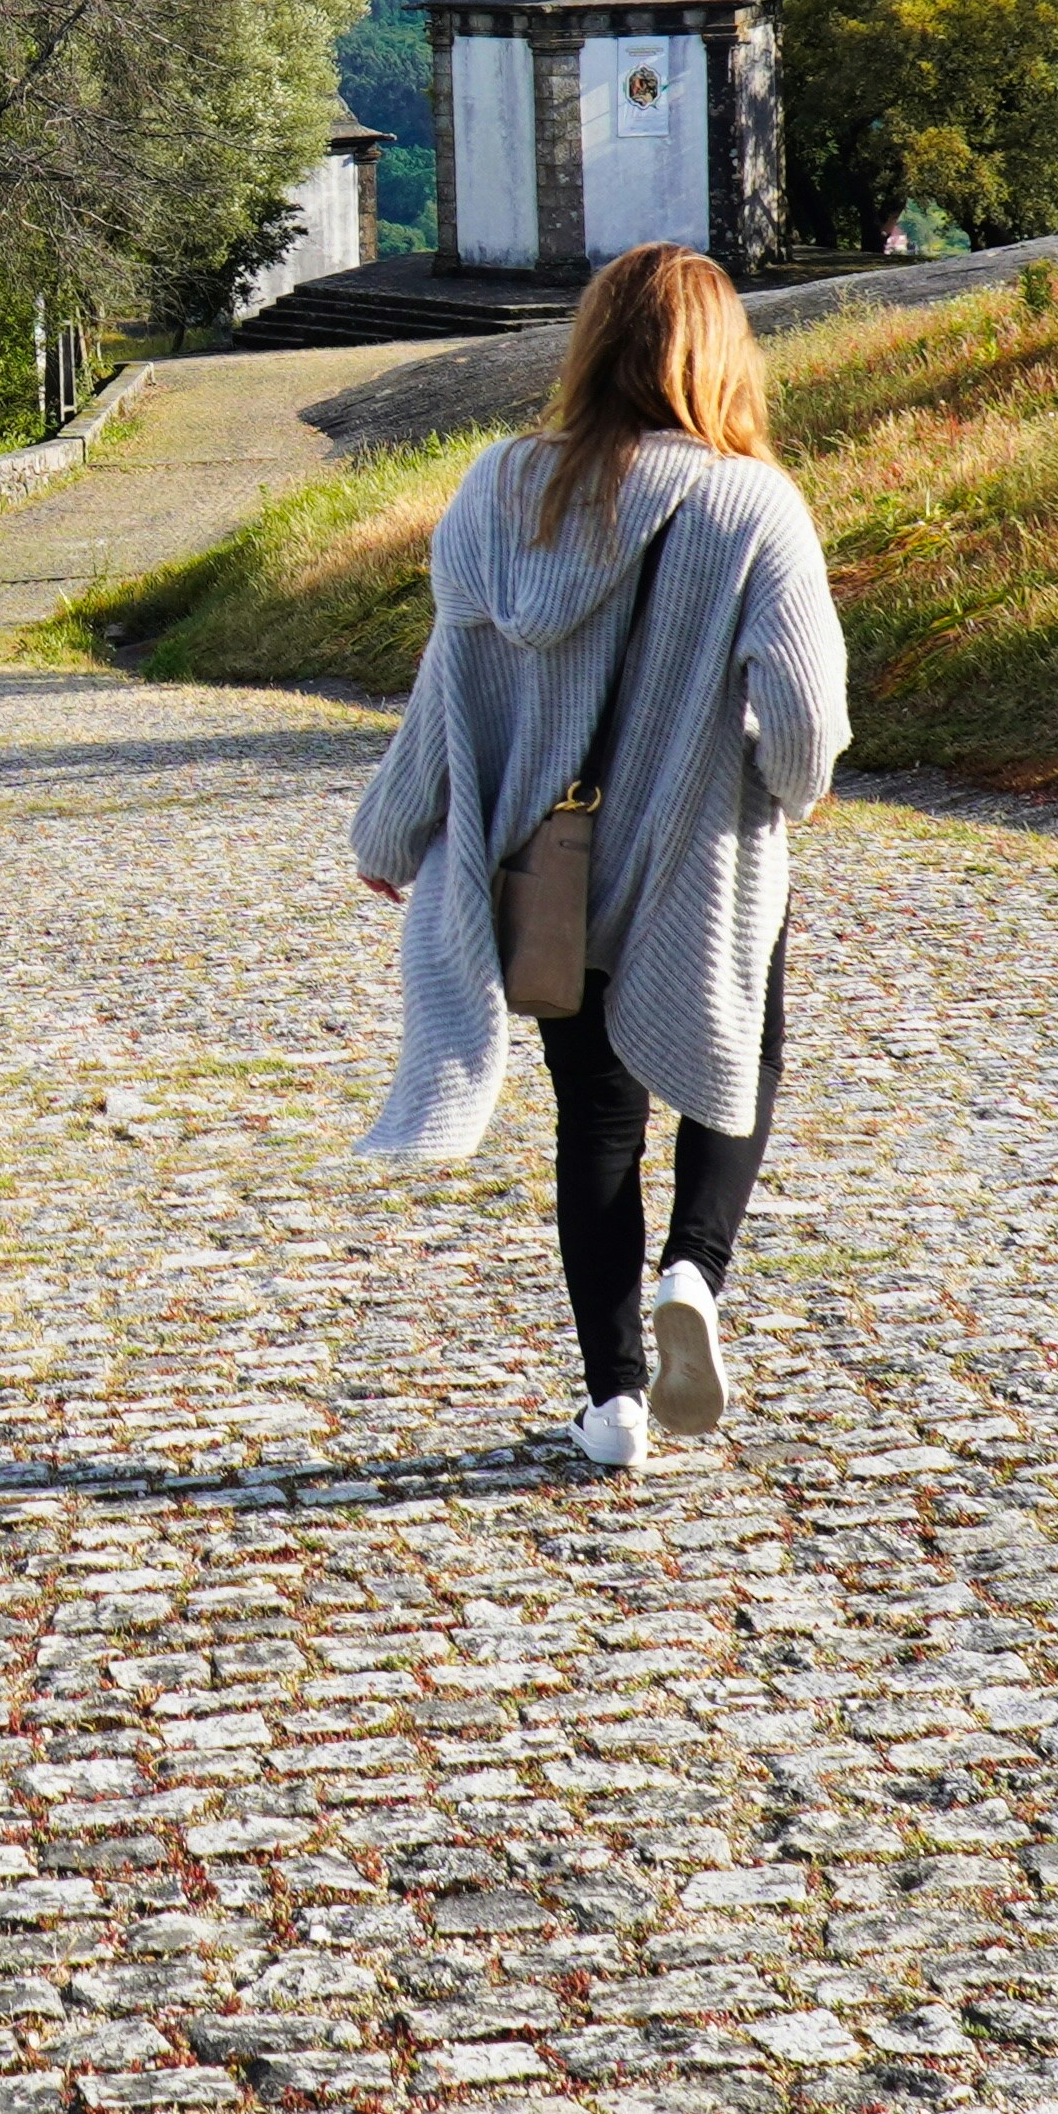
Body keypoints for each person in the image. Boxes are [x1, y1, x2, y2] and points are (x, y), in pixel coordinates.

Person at [347, 243, 847, 1473]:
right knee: (741, 1057)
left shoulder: (498, 485)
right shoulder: (754, 501)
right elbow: (803, 717)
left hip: (550, 871)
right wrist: (786, 788)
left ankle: (615, 1400)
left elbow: (449, 687)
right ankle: (696, 1270)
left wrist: (392, 826)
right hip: (701, 863)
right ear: (721, 355)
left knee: (596, 1120)